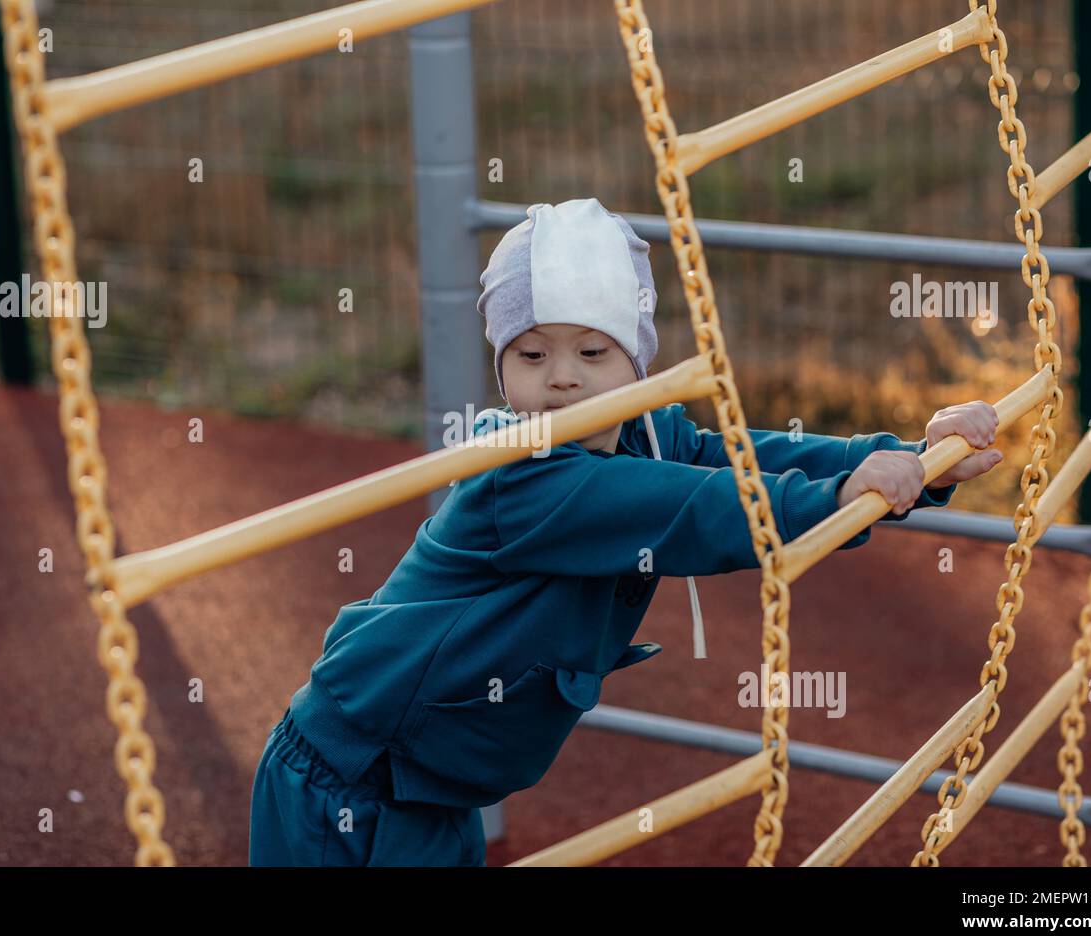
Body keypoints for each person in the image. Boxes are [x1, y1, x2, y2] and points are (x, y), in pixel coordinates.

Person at [248, 197, 1003, 867]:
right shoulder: (522, 474)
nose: (563, 378)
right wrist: (837, 495)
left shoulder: (645, 434)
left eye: (592, 352)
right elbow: (701, 509)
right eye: (532, 354)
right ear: (503, 371)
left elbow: (746, 456)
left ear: (636, 361)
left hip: (431, 785)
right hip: (349, 778)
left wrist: (907, 460)